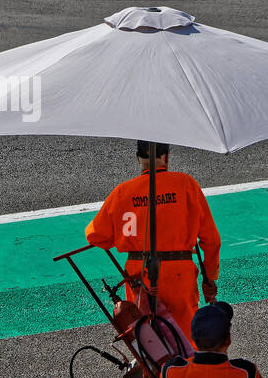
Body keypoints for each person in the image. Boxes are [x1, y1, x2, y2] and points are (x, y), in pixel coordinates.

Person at [85, 141, 220, 345]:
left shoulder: (122, 192)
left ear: (138, 158)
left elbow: (95, 236)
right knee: (186, 340)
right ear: (166, 156)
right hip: (179, 273)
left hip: (138, 273)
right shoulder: (186, 184)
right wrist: (210, 279)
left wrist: (128, 237)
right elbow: (211, 240)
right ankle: (186, 375)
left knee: (150, 343)